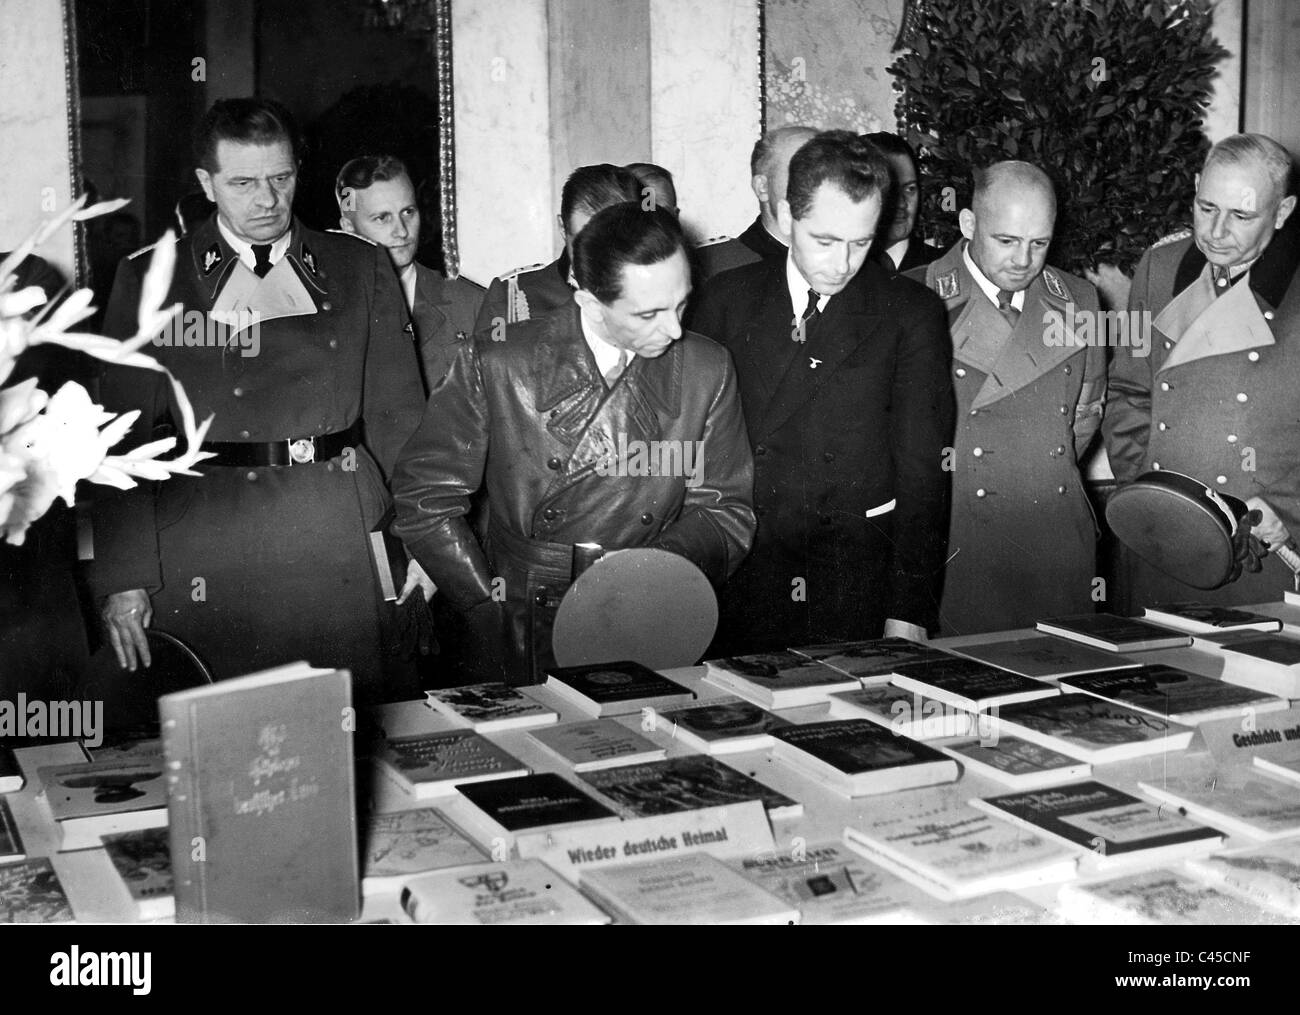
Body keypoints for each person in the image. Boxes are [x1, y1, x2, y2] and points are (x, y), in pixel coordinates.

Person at [89, 97, 429, 703]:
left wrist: (425, 542)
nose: (267, 200)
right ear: (206, 183)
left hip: (336, 532)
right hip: (209, 544)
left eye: (281, 178)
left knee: (347, 729)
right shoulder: (153, 279)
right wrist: (126, 577)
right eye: (243, 183)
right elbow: (122, 437)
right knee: (225, 740)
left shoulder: (359, 266)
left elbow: (400, 418)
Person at [393, 203, 756, 685]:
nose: (673, 330)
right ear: (588, 302)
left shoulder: (707, 369)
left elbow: (726, 511)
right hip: (522, 613)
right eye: (648, 313)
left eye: (682, 304)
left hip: (648, 603)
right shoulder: (499, 361)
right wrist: (488, 606)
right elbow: (425, 499)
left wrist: (649, 573)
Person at [692, 130, 954, 651]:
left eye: (861, 243)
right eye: (825, 241)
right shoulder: (724, 300)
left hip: (853, 572)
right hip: (744, 569)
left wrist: (908, 607)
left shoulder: (910, 312)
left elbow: (924, 470)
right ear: (788, 217)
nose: (842, 264)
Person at [907, 161, 1105, 634]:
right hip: (956, 541)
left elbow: (1085, 413)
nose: (1023, 260)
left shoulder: (1079, 299)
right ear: (969, 223)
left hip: (1054, 542)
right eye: (1007, 241)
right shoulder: (914, 296)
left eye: (1039, 243)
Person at [1105, 132, 1300, 610]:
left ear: (1283, 211)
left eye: (1241, 215)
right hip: (1160, 537)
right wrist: (1147, 493)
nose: (1215, 230)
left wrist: (1291, 512)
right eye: (1206, 206)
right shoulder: (1160, 266)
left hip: (1260, 545)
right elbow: (1128, 389)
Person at [336, 154, 483, 391]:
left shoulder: (471, 304)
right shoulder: (328, 310)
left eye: (408, 212)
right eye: (382, 218)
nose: (402, 232)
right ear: (349, 230)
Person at [472, 164, 642, 333]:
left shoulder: (662, 294)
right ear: (562, 228)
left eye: (616, 241)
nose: (600, 257)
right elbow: (489, 358)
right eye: (585, 241)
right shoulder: (511, 298)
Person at [694, 125, 817, 283]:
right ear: (763, 187)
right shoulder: (715, 268)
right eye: (802, 173)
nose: (820, 186)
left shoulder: (852, 262)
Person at [863, 131, 940, 274]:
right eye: (890, 190)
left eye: (910, 189)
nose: (901, 203)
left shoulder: (941, 266)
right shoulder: (838, 270)